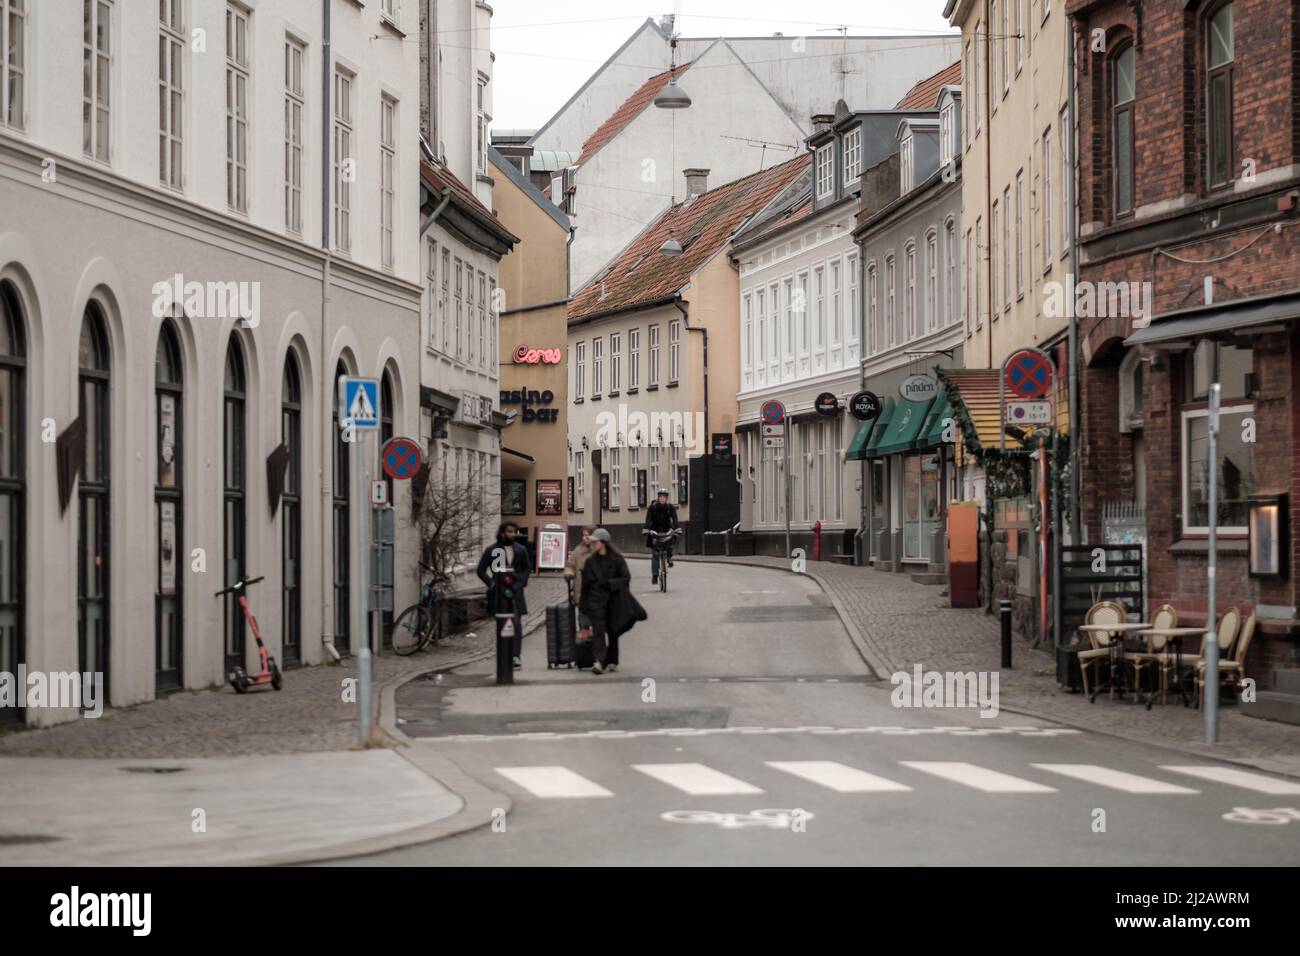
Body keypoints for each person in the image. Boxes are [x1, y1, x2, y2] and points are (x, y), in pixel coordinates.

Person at [476, 521, 530, 668]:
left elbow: (526, 570)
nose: (513, 535)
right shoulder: (492, 550)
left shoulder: (521, 550)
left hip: (515, 593)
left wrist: (518, 584)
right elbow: (480, 570)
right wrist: (492, 584)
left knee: (516, 624)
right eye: (510, 532)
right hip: (498, 594)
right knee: (502, 624)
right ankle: (504, 653)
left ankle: (515, 656)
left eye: (514, 532)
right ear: (502, 533)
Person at [579, 528, 631, 675]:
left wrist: (610, 583)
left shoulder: (617, 560)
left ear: (603, 542)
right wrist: (583, 604)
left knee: (613, 632)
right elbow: (586, 585)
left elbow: (625, 579)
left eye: (595, 541)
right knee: (598, 633)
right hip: (595, 602)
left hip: (613, 601)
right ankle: (599, 661)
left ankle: (613, 659)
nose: (593, 544)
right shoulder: (590, 562)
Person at [641, 489, 679, 585]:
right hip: (655, 531)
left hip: (667, 530)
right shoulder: (652, 508)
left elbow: (674, 519)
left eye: (664, 497)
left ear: (666, 498)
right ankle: (654, 576)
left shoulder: (670, 508)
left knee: (669, 544)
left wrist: (677, 528)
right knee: (655, 554)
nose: (662, 499)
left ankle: (669, 558)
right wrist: (646, 529)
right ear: (658, 498)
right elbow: (648, 519)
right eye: (661, 497)